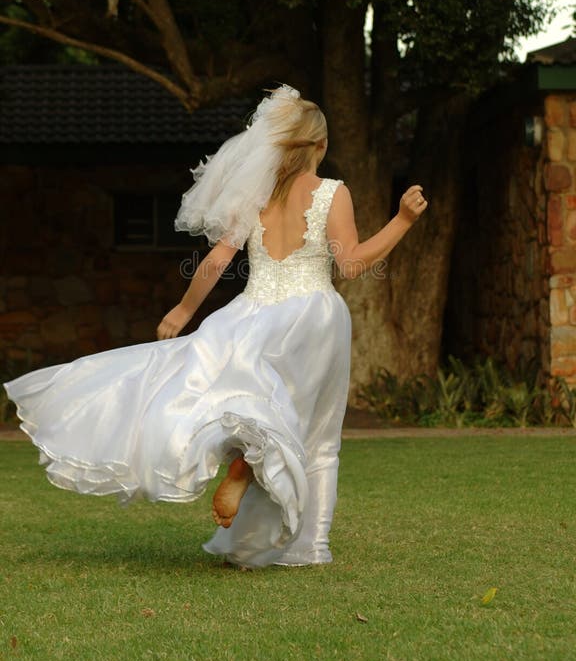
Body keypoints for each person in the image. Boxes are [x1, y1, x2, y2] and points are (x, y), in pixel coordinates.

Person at [4, 85, 427, 569]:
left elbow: (218, 259)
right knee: (317, 437)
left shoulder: (255, 196)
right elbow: (350, 266)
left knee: (235, 400)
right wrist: (402, 220)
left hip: (252, 312)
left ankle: (247, 523)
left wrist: (182, 313)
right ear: (320, 147)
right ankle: (308, 544)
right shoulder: (332, 193)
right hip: (313, 316)